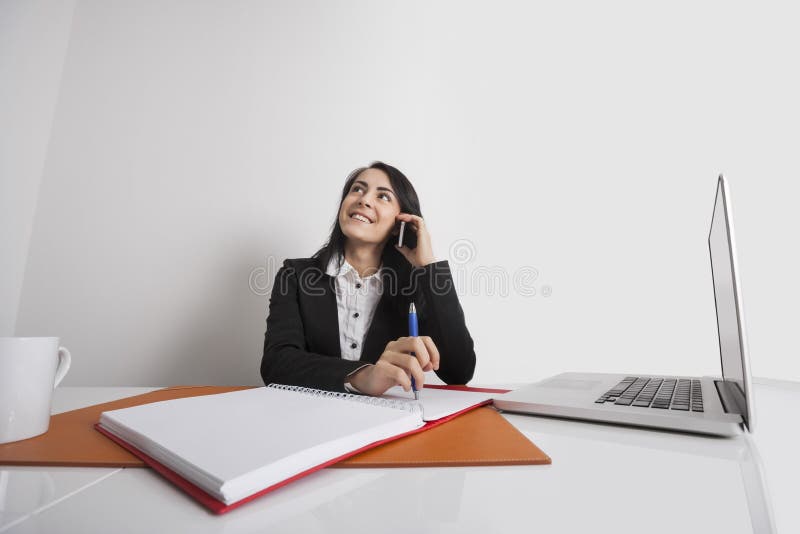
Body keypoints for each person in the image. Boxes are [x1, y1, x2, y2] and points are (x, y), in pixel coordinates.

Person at [261, 161, 476, 396]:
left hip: (388, 415)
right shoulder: (295, 274)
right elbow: (275, 364)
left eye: (383, 196)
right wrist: (362, 376)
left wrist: (429, 266)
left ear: (400, 224)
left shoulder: (413, 287)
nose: (364, 200)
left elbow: (459, 372)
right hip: (309, 412)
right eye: (357, 189)